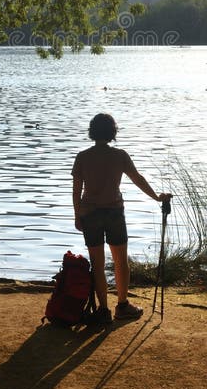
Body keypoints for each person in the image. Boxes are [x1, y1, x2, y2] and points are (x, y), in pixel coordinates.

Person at [72, 112, 171, 323]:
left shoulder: (82, 157)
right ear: (112, 132)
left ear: (92, 132)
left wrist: (77, 215)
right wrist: (156, 197)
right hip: (114, 212)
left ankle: (103, 310)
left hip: (90, 214)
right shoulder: (120, 156)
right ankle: (123, 305)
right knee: (120, 261)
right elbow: (138, 179)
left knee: (97, 264)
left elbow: (76, 190)